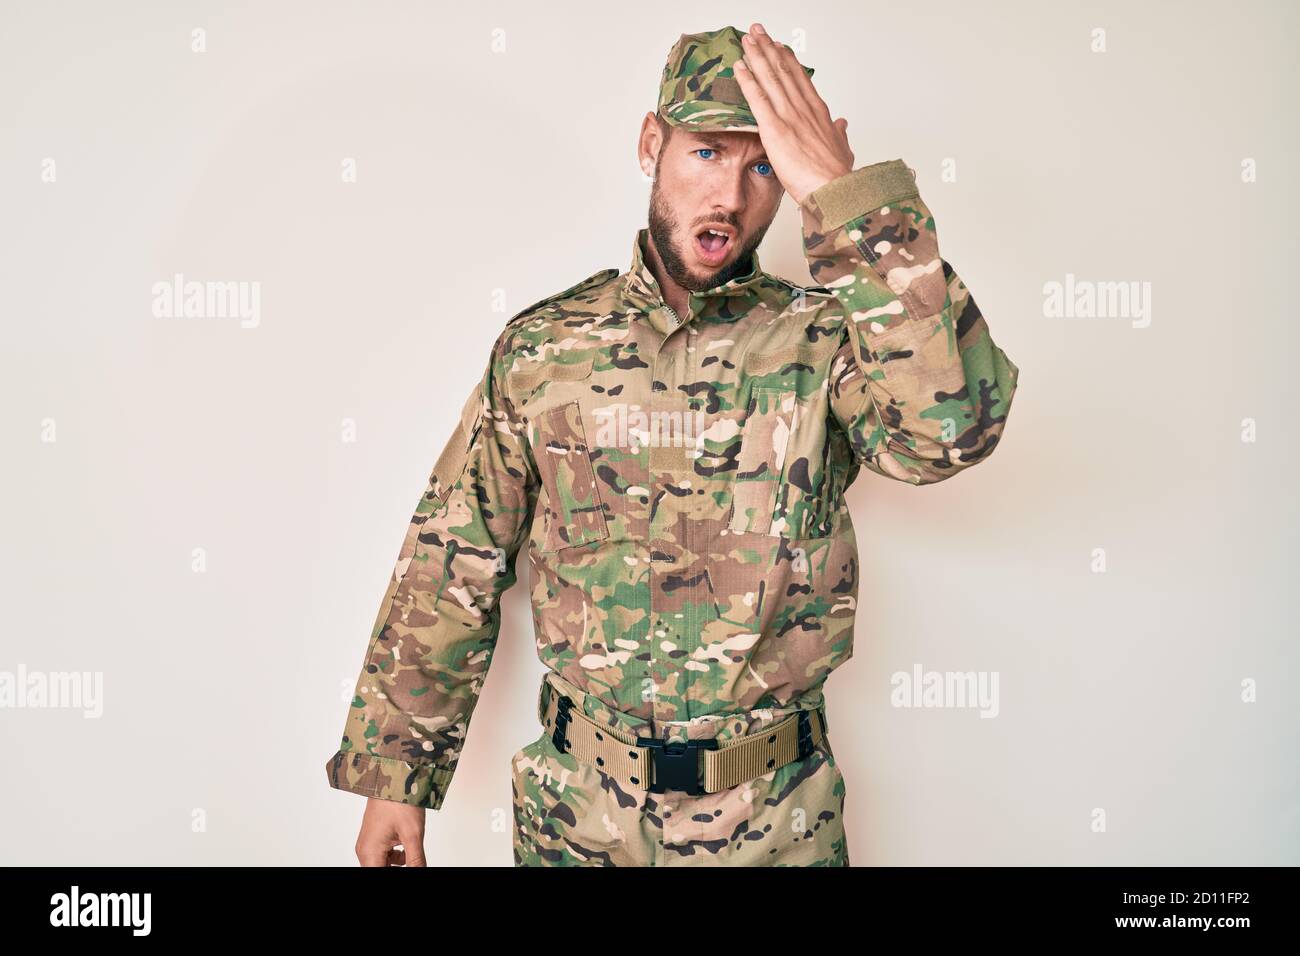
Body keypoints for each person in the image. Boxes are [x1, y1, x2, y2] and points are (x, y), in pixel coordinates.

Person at [325, 21, 1019, 867]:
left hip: (774, 827)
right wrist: (396, 773)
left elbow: (949, 434)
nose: (729, 194)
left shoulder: (829, 342)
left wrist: (849, 197)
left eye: (763, 164)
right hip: (577, 822)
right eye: (706, 152)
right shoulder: (546, 349)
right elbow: (455, 553)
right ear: (652, 143)